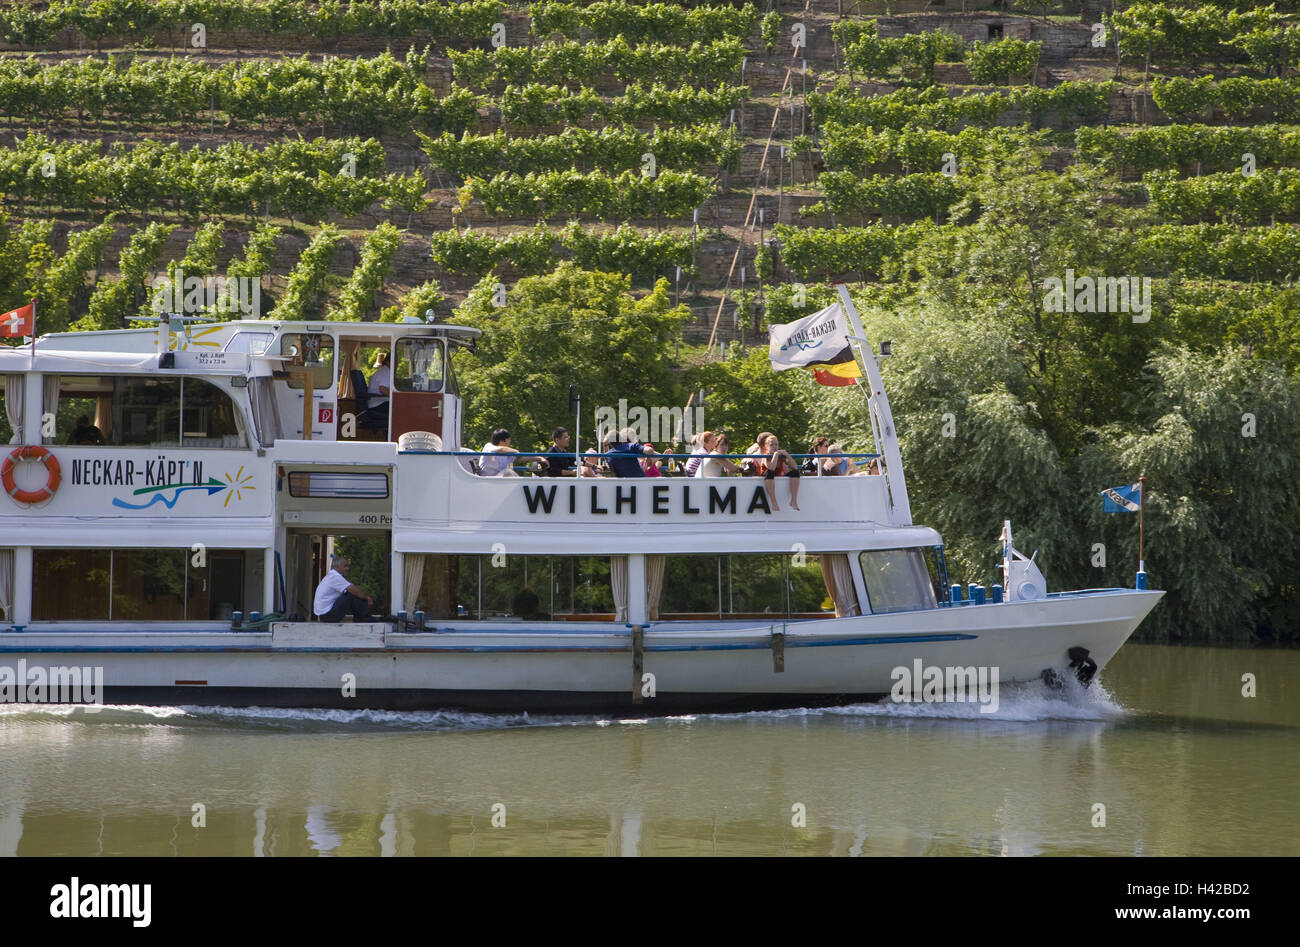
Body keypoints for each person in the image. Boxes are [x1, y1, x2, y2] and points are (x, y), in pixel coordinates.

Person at [313, 555, 373, 622]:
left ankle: (362, 618)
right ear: (337, 567)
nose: (348, 568)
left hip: (325, 615)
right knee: (352, 593)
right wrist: (367, 598)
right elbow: (353, 590)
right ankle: (364, 618)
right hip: (327, 615)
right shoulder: (335, 577)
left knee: (353, 593)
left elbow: (352, 587)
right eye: (345, 566)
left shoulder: (332, 576)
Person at [758, 433, 800, 511]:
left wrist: (787, 455)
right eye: (771, 445)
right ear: (766, 447)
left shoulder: (780, 456)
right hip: (768, 477)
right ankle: (774, 502)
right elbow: (771, 468)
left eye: (776, 445)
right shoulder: (765, 456)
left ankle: (793, 501)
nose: (774, 447)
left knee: (795, 472)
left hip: (777, 476)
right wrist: (775, 455)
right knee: (769, 472)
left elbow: (794, 466)